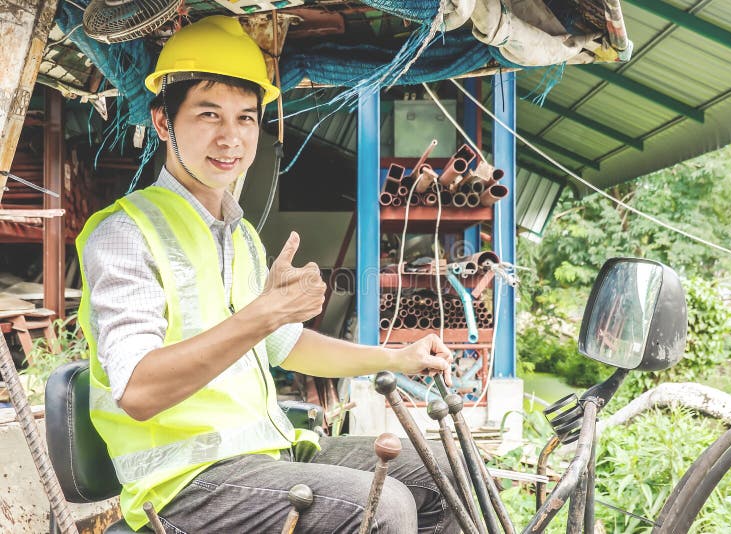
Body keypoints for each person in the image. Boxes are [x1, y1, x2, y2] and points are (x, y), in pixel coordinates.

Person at [76, 15, 457, 533]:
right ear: (164, 122)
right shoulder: (125, 234)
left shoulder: (239, 236)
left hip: (264, 457)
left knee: (444, 473)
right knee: (383, 504)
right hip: (182, 482)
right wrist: (260, 316)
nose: (230, 138)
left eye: (247, 118)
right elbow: (139, 392)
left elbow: (284, 344)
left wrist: (397, 357)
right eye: (209, 115)